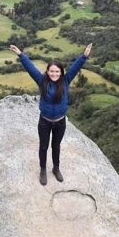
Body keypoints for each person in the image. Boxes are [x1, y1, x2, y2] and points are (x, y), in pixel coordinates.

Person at [9, 42, 93, 185]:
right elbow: (31, 68)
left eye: (57, 71)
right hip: (45, 121)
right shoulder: (42, 81)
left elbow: (75, 67)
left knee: (56, 146)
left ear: (61, 73)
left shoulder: (65, 81)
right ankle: (43, 170)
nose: (54, 74)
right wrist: (20, 55)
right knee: (43, 146)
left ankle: (56, 168)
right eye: (52, 71)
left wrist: (84, 56)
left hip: (60, 122)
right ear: (47, 72)